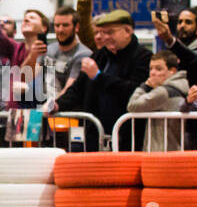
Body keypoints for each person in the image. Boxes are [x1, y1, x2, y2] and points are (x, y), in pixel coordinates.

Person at [55, 9, 152, 151]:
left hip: (127, 138)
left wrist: (99, 76)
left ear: (127, 31)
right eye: (101, 32)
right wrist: (57, 105)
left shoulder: (143, 57)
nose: (104, 37)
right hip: (94, 137)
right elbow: (77, 90)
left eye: (110, 32)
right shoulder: (99, 57)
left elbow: (134, 90)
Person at [126, 50, 190, 151]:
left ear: (172, 71)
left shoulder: (162, 92)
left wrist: (145, 86)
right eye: (151, 68)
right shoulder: (183, 87)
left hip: (160, 151)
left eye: (159, 69)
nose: (152, 73)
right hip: (176, 149)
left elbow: (132, 106)